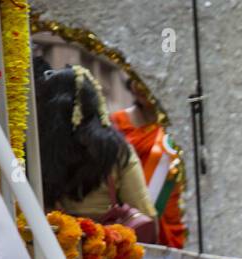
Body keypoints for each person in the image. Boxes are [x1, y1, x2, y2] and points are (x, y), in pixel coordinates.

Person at [38, 66, 154, 222]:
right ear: (94, 102)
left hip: (51, 243)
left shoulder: (36, 152)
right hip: (110, 243)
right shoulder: (115, 148)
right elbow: (143, 209)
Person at [111, 80, 186, 248]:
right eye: (138, 81)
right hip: (135, 208)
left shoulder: (179, 124)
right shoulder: (117, 122)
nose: (143, 87)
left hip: (172, 208)